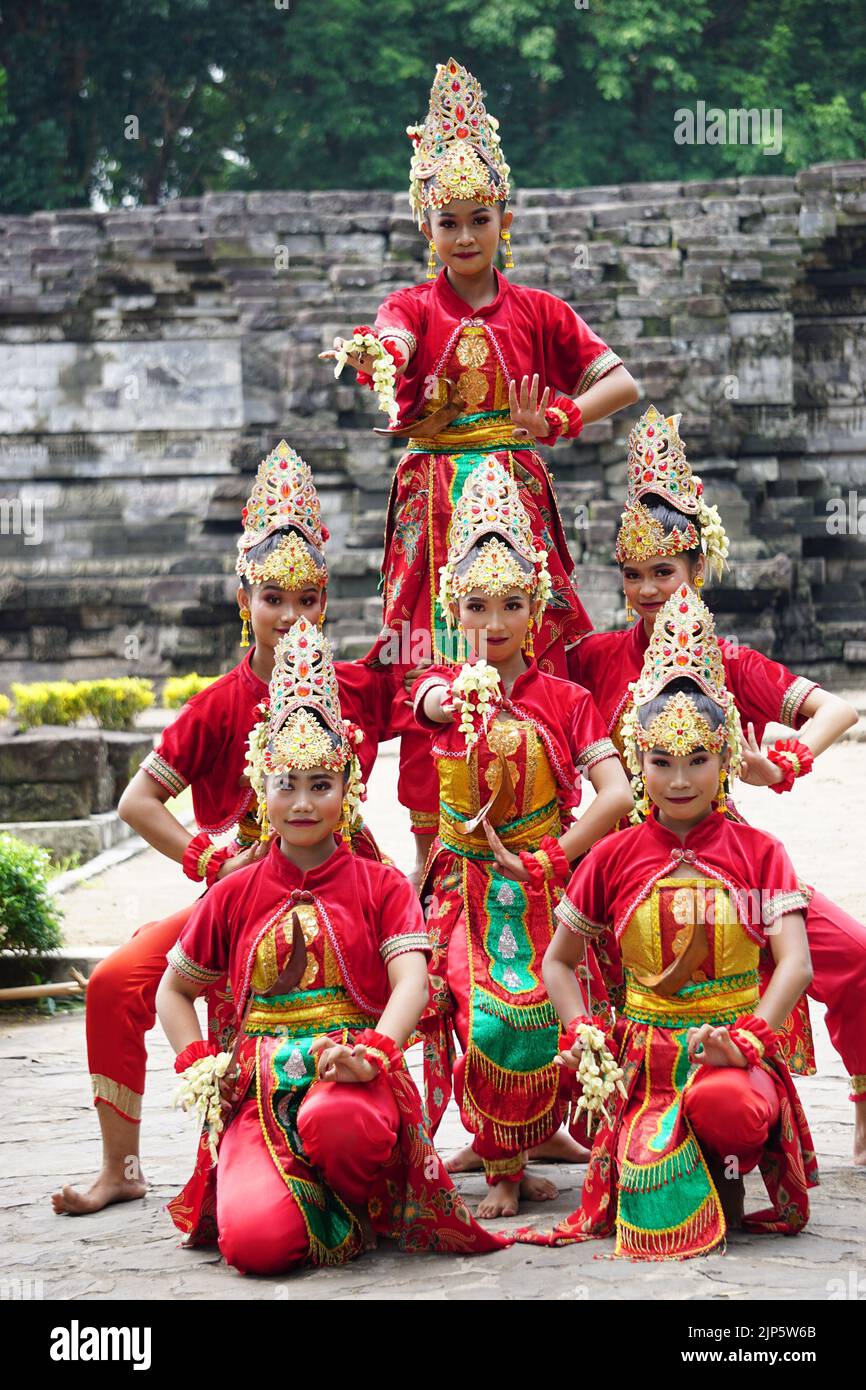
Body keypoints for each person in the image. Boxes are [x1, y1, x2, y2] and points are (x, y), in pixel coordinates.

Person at [51, 441, 399, 1217]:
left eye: (309, 599)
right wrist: (213, 862)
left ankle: (420, 1150)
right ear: (246, 600)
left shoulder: (358, 688)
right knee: (115, 983)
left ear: (326, 602)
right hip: (243, 892)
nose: (292, 616)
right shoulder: (219, 703)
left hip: (348, 889)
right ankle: (124, 1166)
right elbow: (139, 802)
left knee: (441, 971)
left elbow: (445, 685)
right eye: (274, 597)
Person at [320, 56, 638, 877]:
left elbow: (621, 380)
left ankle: (559, 849)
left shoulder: (538, 310)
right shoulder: (412, 307)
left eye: (479, 219)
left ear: (506, 217)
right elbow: (389, 343)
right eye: (448, 221)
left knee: (537, 654)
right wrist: (378, 356)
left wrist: (561, 416)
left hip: (515, 503)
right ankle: (434, 879)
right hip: (432, 510)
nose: (465, 237)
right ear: (426, 228)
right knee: (429, 657)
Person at [156, 618, 505, 1273]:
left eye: (321, 783)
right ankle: (298, 1201)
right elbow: (173, 989)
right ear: (262, 786)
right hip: (259, 1093)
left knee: (341, 1123)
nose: (303, 802)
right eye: (285, 783)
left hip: (353, 1077)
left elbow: (411, 980)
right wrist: (199, 1063)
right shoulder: (233, 892)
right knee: (255, 1248)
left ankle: (356, 1200)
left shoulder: (378, 886)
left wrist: (374, 1050)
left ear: (348, 789)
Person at [568, 405, 866, 1164]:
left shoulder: (729, 663)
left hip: (726, 861)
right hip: (614, 865)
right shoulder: (596, 657)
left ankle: (860, 1101)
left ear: (697, 569)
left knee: (855, 953)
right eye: (632, 574)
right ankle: (528, 1128)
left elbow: (836, 708)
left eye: (663, 572)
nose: (646, 591)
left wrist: (779, 765)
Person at [525, 583, 817, 1259]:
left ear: (725, 761)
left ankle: (731, 1159)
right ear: (639, 760)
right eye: (661, 762)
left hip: (731, 1051)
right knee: (652, 1204)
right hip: (649, 1062)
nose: (679, 780)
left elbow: (795, 964)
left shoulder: (759, 851)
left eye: (697, 761)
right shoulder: (614, 855)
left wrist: (747, 1042)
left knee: (731, 1107)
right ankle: (686, 1164)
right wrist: (585, 1031)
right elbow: (559, 960)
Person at [411, 458, 633, 1218]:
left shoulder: (567, 701)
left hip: (542, 883)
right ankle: (502, 1162)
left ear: (537, 610)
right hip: (465, 888)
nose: (495, 623)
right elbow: (432, 701)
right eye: (477, 607)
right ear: (454, 612)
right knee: (486, 1008)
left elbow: (618, 792)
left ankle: (537, 1136)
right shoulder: (439, 688)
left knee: (548, 1004)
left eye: (512, 605)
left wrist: (552, 857)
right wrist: (456, 697)